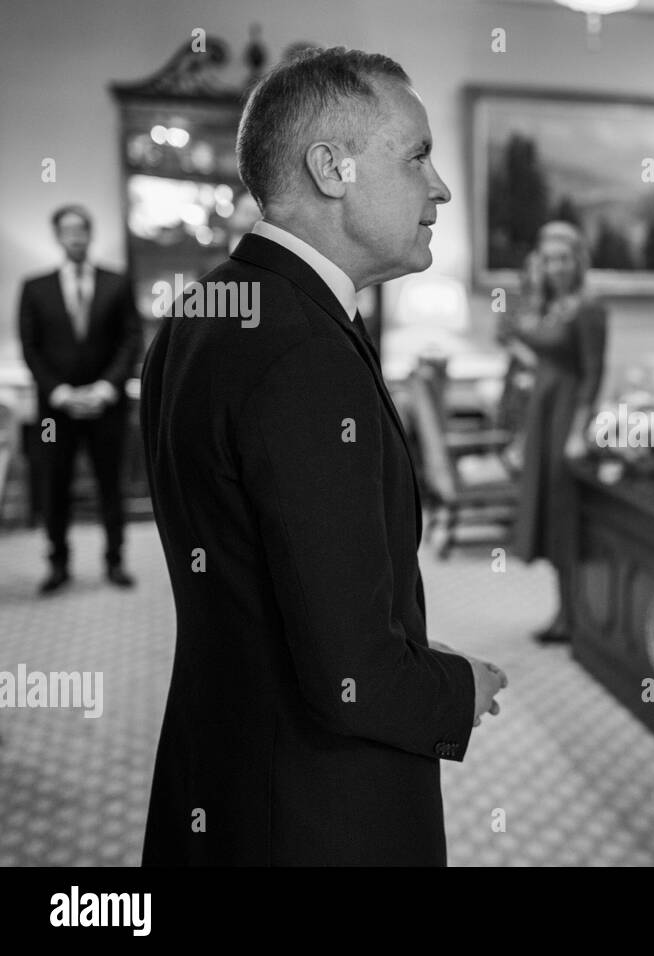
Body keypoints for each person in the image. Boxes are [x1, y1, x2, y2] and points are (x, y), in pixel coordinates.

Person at [138, 47, 506, 865]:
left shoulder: (207, 306)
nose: (440, 188)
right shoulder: (304, 350)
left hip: (226, 759)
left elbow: (277, 584)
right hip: (312, 809)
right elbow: (352, 678)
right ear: (331, 169)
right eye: (416, 156)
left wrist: (400, 643)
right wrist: (457, 688)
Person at [18, 205, 141, 595]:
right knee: (55, 485)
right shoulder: (35, 288)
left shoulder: (117, 283)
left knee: (111, 484)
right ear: (58, 236)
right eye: (67, 231)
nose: (75, 237)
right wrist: (61, 393)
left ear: (90, 234)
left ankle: (115, 560)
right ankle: (57, 563)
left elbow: (130, 340)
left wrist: (105, 388)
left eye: (81, 230)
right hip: (57, 410)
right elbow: (30, 348)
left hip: (107, 405)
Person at [500, 221, 607, 645]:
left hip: (566, 418)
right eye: (547, 259)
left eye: (563, 258)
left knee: (565, 518)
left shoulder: (589, 307)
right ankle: (562, 611)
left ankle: (575, 616)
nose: (555, 266)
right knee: (546, 514)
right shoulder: (548, 305)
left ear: (577, 260)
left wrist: (579, 430)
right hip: (542, 415)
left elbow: (594, 373)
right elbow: (521, 338)